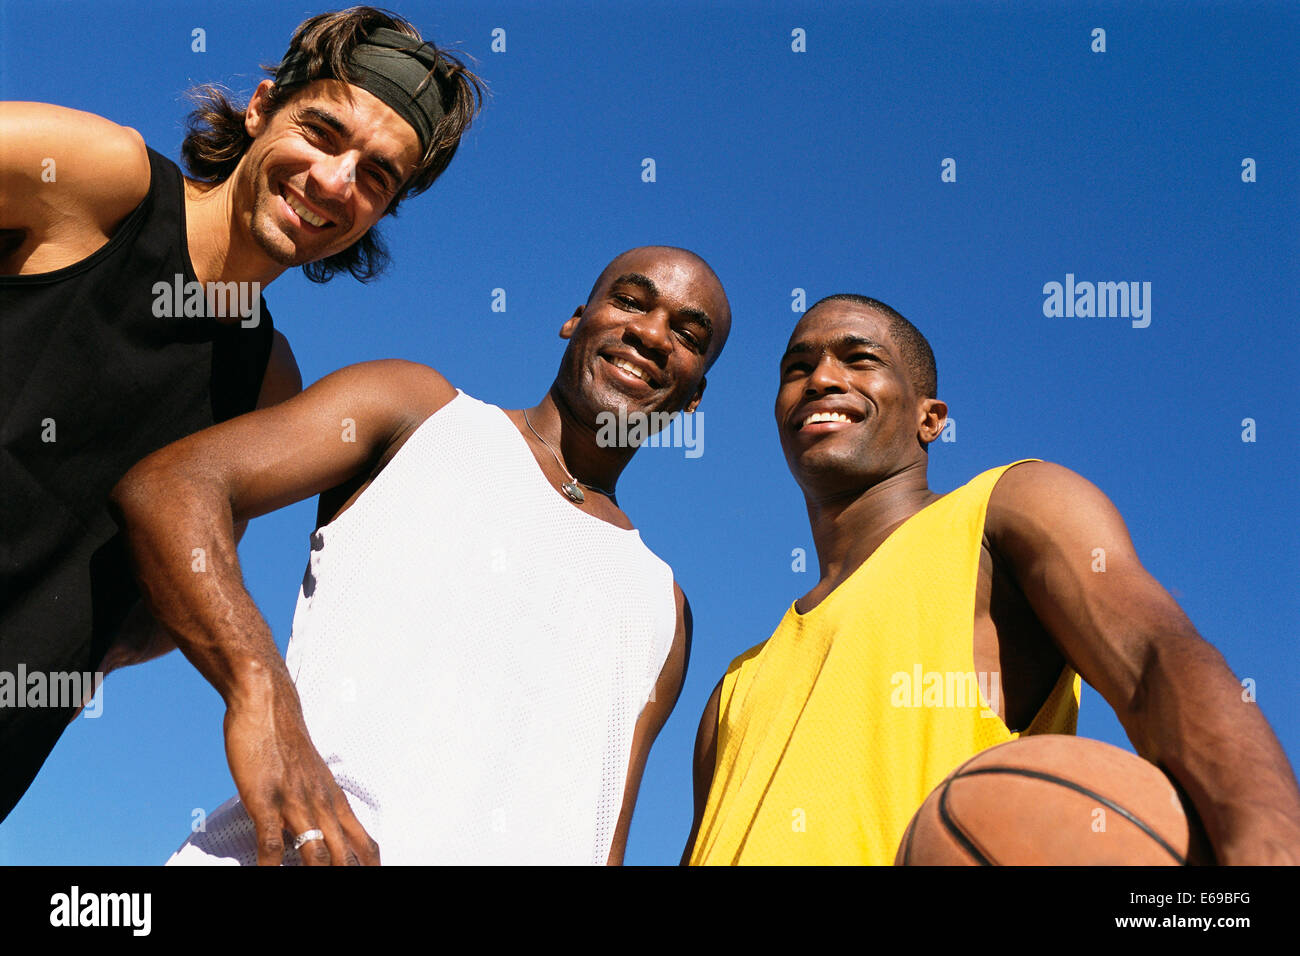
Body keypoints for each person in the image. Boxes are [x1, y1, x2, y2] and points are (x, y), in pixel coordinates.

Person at [0, 6, 484, 824]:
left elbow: (156, 615)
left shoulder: (269, 387)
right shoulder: (102, 182)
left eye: (377, 177)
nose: (335, 183)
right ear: (262, 107)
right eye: (324, 133)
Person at [111, 245, 732, 865]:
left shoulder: (664, 607)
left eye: (686, 333)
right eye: (629, 301)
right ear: (577, 317)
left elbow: (601, 841)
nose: (650, 334)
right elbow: (171, 487)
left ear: (695, 396)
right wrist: (262, 694)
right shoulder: (416, 411)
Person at [684, 293, 1300, 865]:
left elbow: (1155, 659)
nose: (820, 378)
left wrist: (1266, 841)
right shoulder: (736, 687)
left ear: (931, 419)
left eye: (859, 358)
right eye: (797, 368)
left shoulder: (1005, 509)